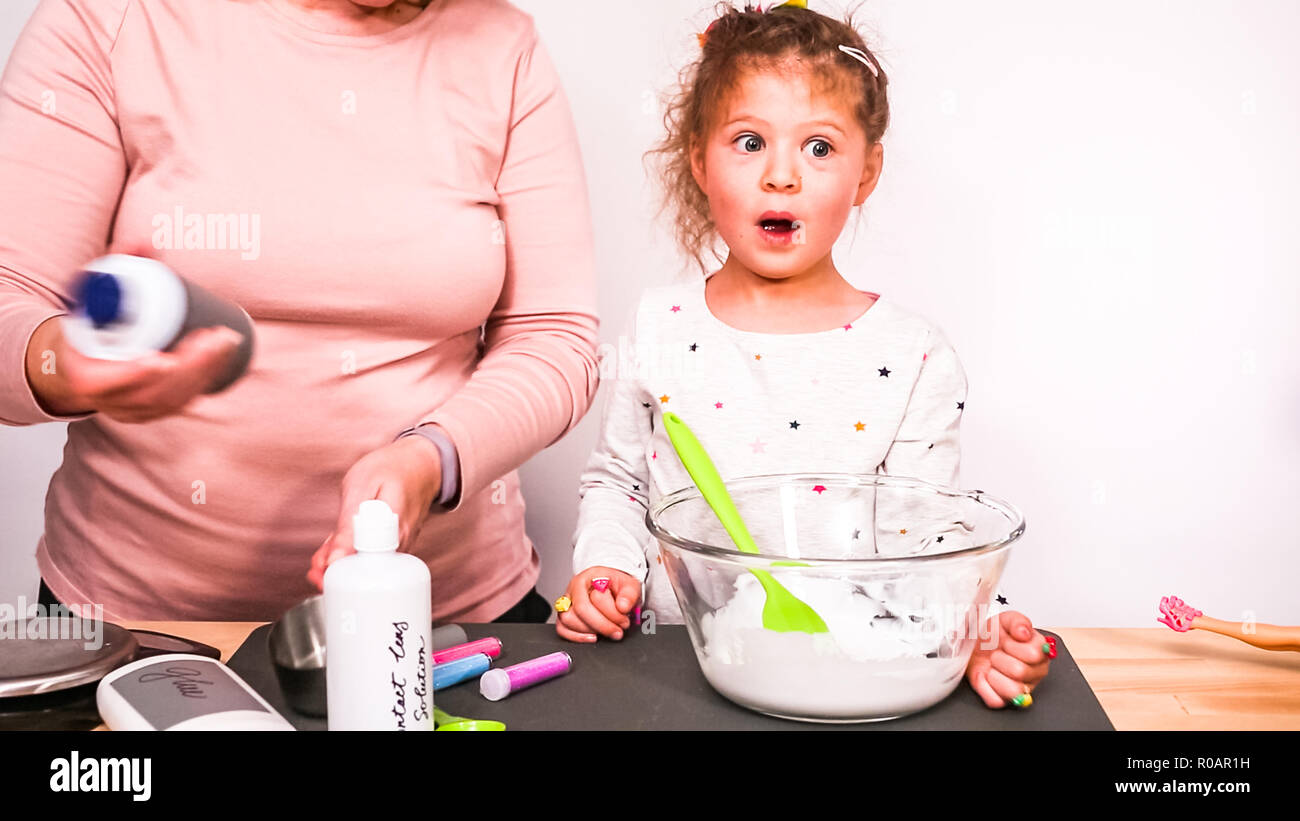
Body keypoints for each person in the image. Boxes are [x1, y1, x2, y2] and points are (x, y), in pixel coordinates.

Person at [0, 0, 598, 623]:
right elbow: (9, 298)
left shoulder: (503, 46)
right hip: (140, 627)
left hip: (445, 626)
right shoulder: (111, 18)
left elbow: (553, 336)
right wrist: (58, 365)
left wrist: (432, 458)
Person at [556, 2, 1051, 709]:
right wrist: (607, 570)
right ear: (699, 158)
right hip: (678, 668)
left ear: (866, 171)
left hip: (851, 677)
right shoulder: (659, 327)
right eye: (749, 141)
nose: (781, 175)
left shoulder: (913, 356)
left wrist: (975, 630)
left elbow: (929, 534)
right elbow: (622, 485)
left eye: (818, 148)